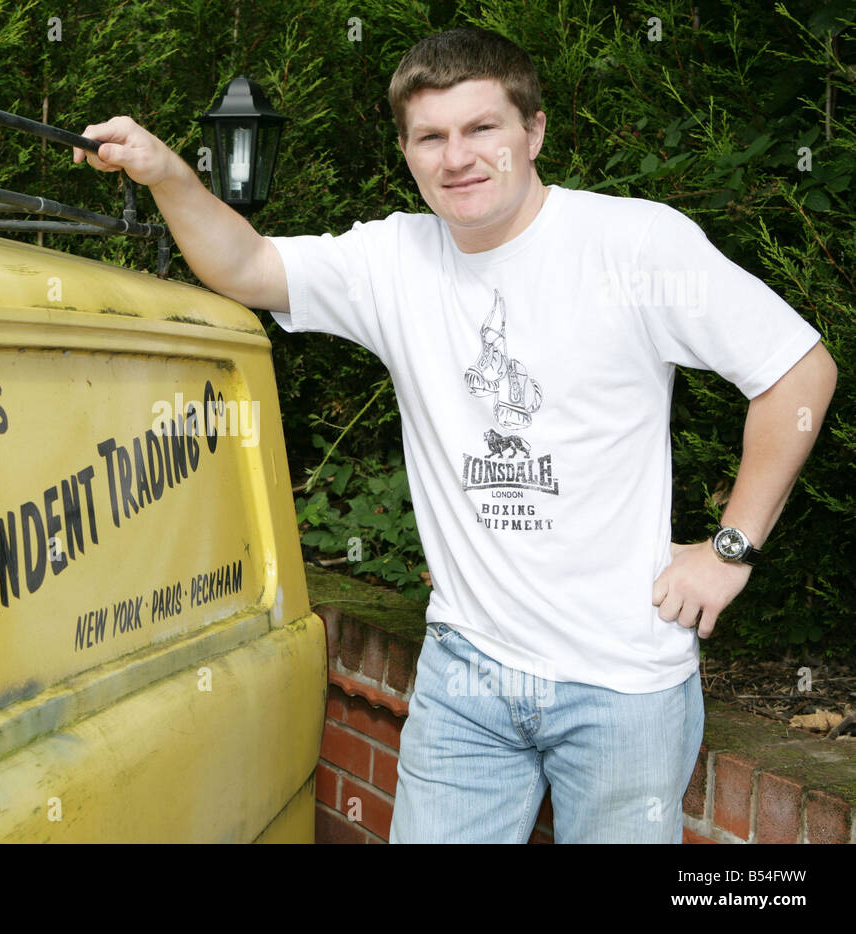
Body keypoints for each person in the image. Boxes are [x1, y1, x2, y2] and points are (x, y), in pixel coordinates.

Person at [73, 26, 837, 843]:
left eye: (482, 129)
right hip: (465, 675)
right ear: (406, 151)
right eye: (430, 137)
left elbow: (799, 370)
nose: (457, 157)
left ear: (533, 132)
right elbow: (249, 266)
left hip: (624, 687)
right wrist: (166, 173)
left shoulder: (633, 245)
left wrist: (730, 550)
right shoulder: (394, 259)